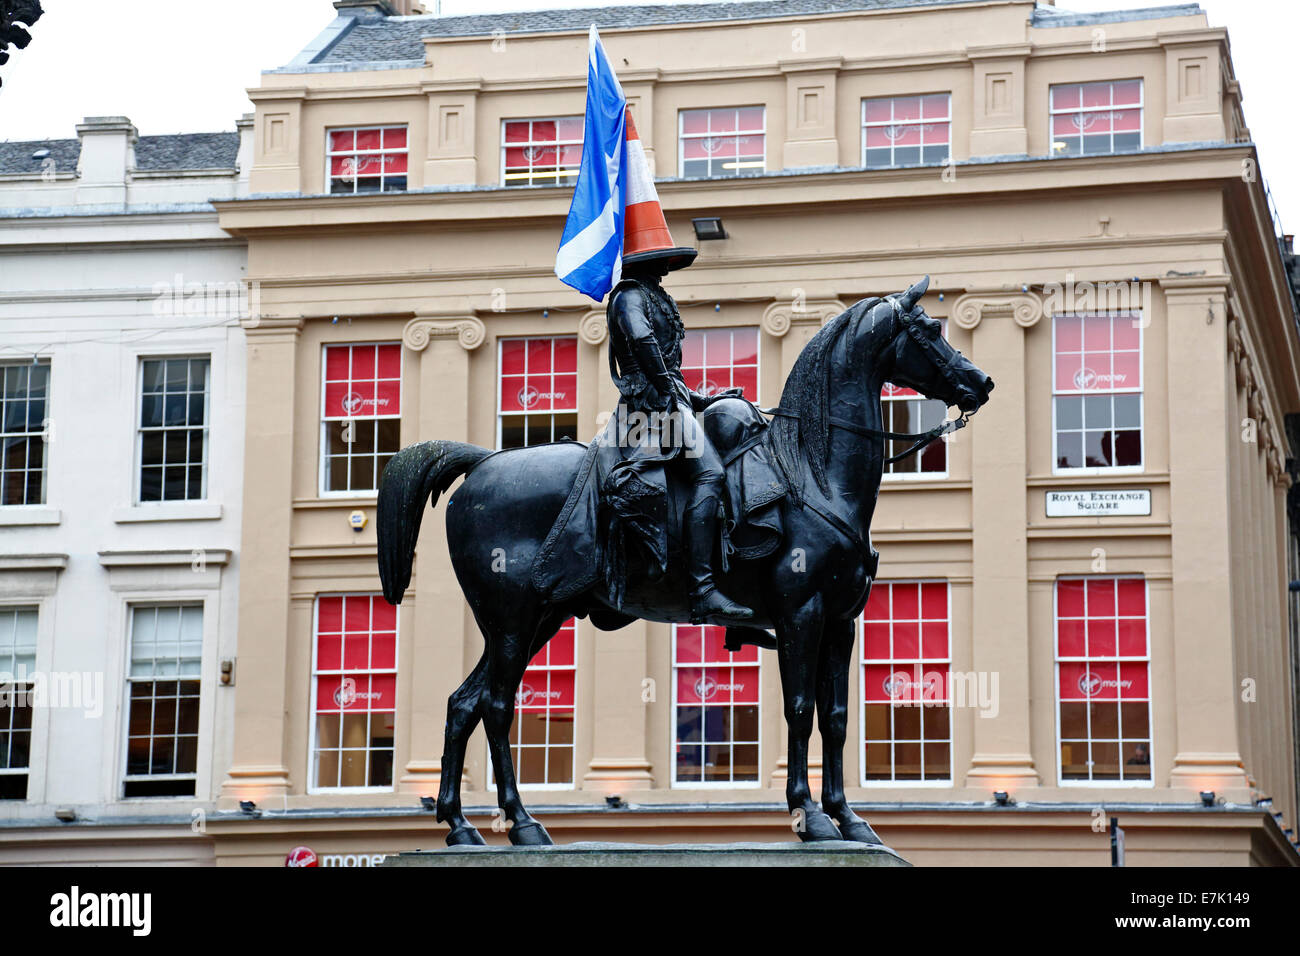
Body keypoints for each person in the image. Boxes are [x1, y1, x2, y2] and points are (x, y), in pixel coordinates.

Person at [605, 248, 755, 624]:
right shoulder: (629, 296)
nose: (667, 265)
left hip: (671, 402)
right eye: (661, 258)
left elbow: (670, 369)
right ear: (643, 262)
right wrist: (671, 395)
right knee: (711, 474)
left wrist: (705, 399)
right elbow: (642, 343)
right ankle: (702, 591)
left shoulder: (653, 294)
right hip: (649, 409)